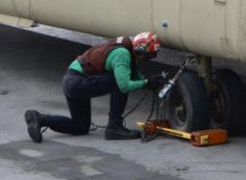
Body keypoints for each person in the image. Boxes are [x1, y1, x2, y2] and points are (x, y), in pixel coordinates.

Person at [24, 32, 165, 142]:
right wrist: (146, 82)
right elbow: (124, 85)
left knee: (80, 127)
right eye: (148, 57)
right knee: (118, 82)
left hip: (73, 80)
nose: (147, 60)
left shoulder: (127, 48)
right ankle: (114, 127)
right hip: (77, 81)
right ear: (140, 50)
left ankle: (40, 119)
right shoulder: (123, 54)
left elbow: (132, 72)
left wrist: (148, 81)